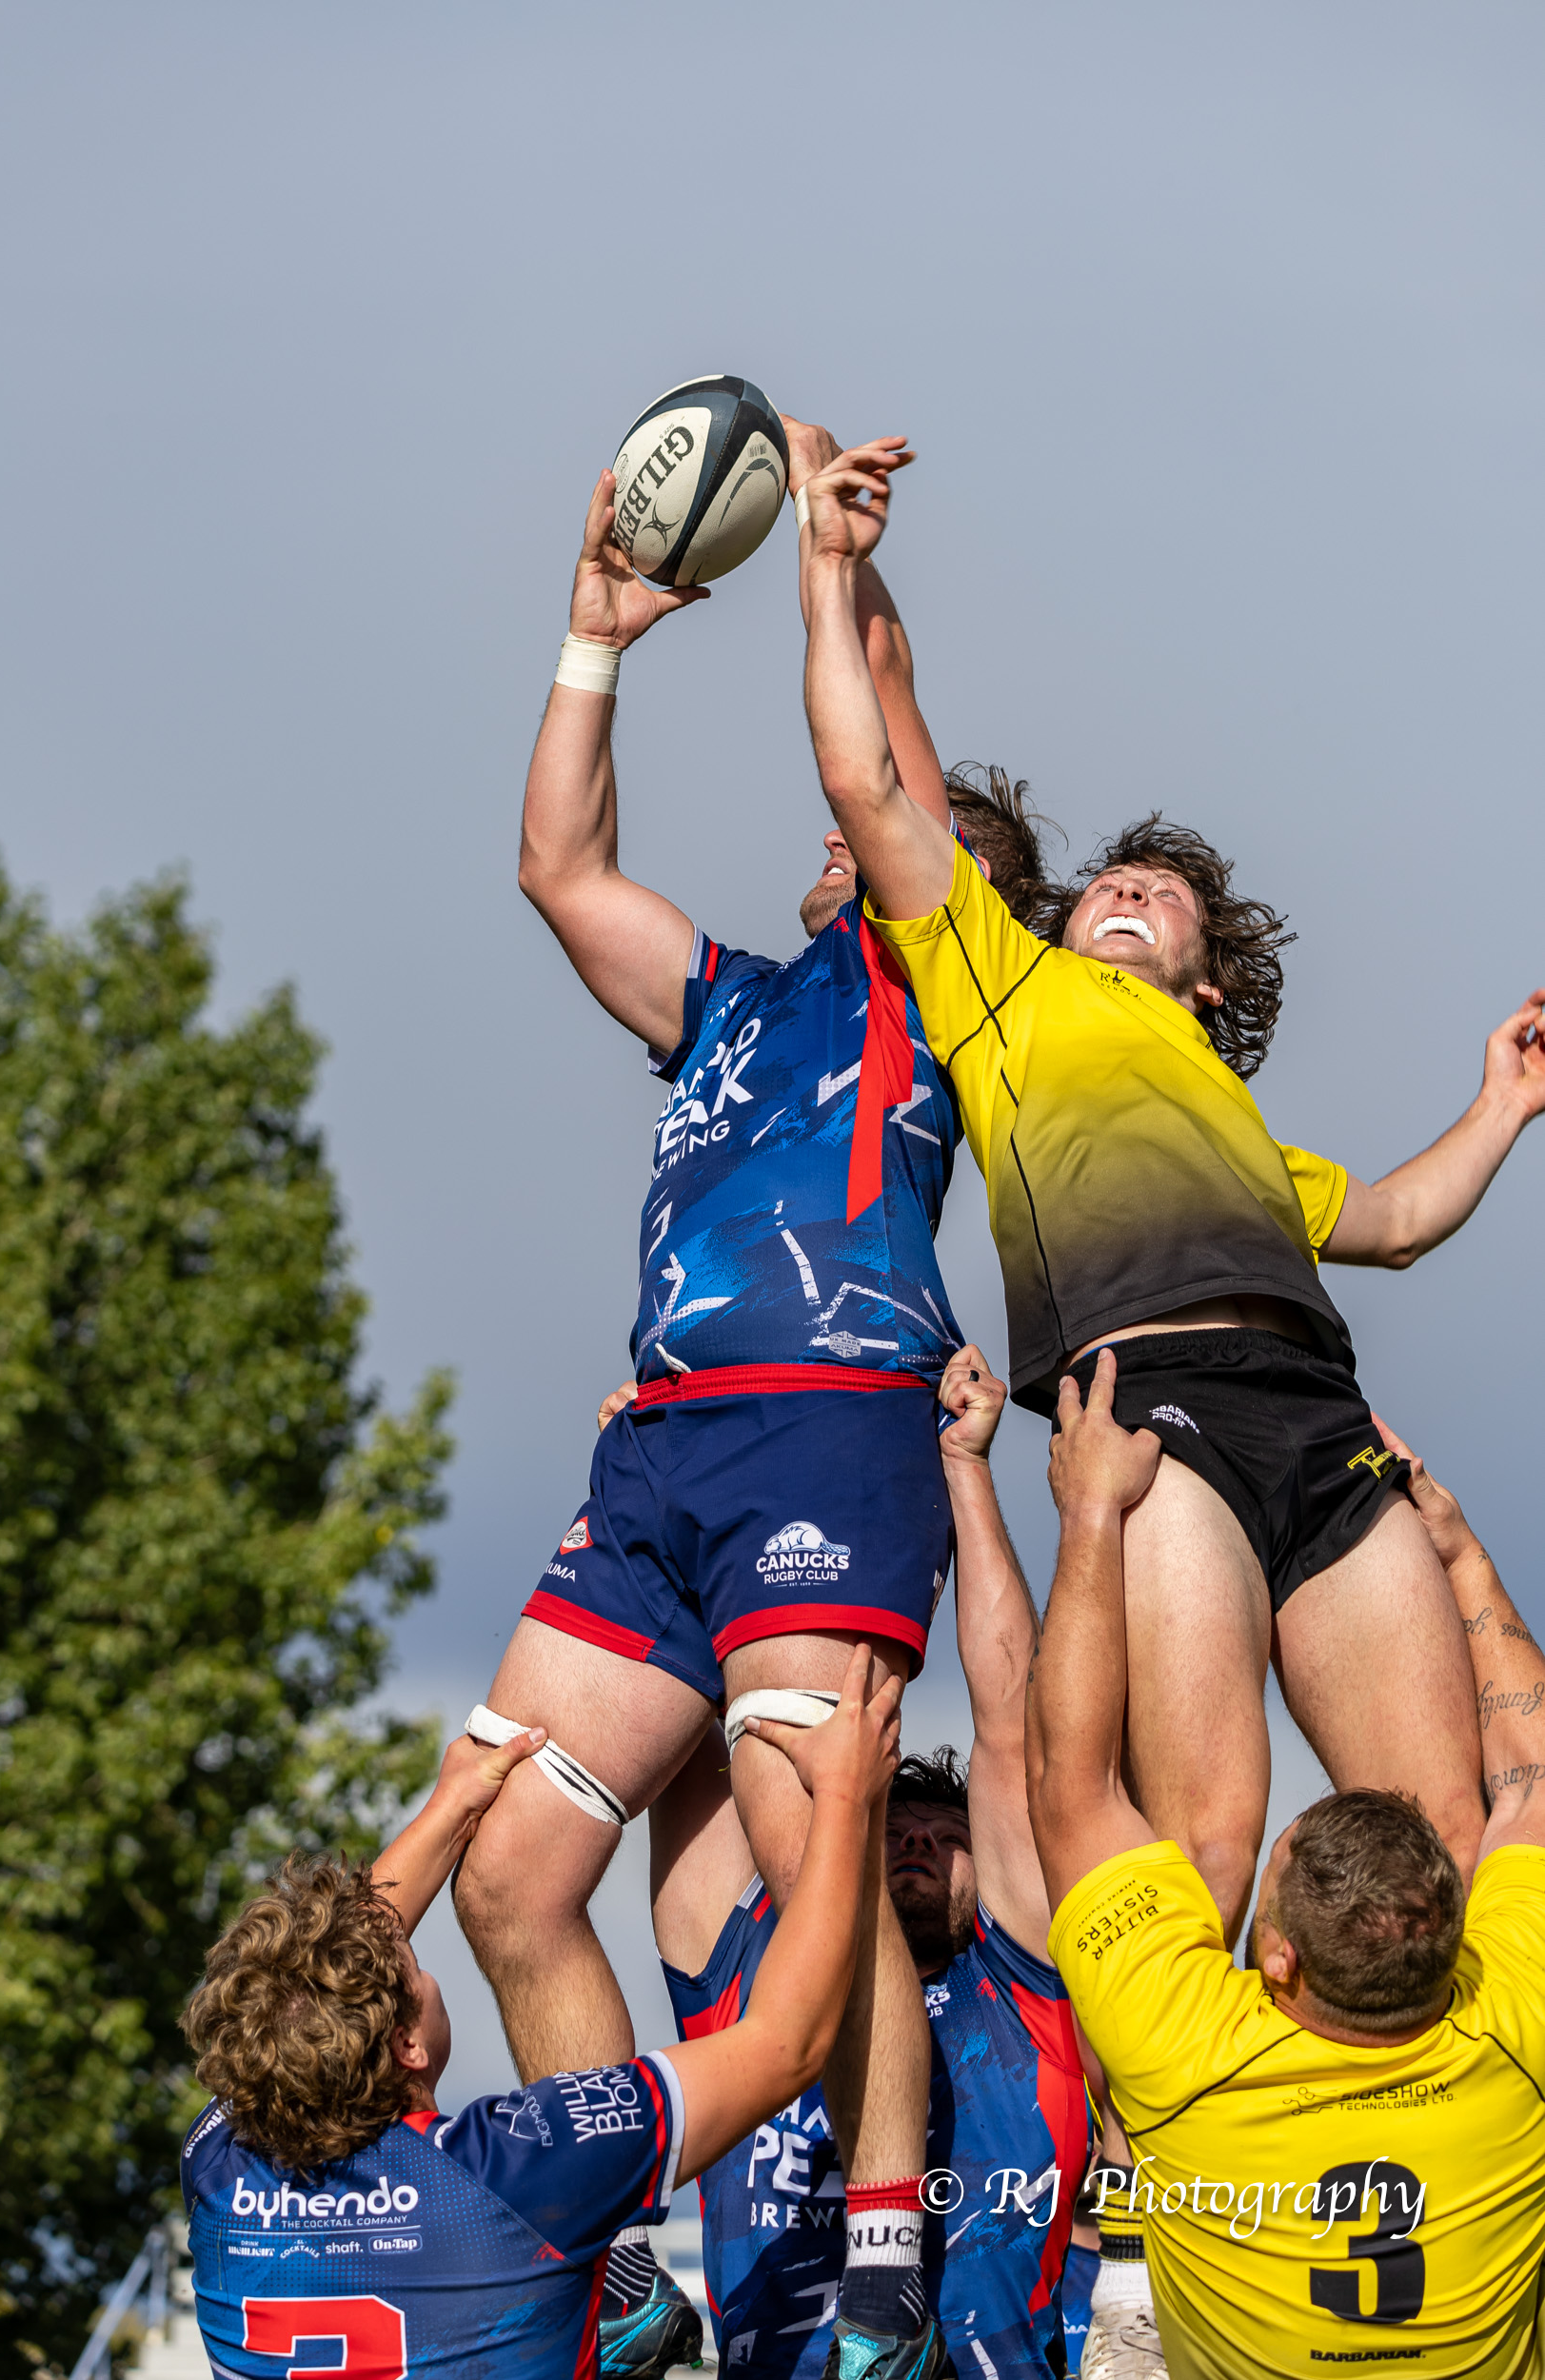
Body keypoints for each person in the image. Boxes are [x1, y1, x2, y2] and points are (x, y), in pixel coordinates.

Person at [797, 432, 1545, 1949]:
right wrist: (834, 568)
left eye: (1164, 893)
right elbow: (873, 760)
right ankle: (1149, 2182)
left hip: (1314, 1408)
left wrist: (1502, 1102)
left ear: (1209, 983)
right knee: (1199, 1840)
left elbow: (1393, 1223)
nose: (1126, 891)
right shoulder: (997, 993)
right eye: (1107, 886)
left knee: (1440, 1836)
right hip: (1143, 1401)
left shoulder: (1233, 1122)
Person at [454, 421, 1029, 2372]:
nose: (825, 846)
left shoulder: (944, 976)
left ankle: (877, 2269)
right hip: (657, 1449)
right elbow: (555, 863)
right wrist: (591, 634)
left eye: (859, 837)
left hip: (822, 1418)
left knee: (811, 1850)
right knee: (511, 1869)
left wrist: (831, 573)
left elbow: (868, 758)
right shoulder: (729, 998)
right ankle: (619, 2282)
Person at [1024, 1350, 1545, 2380]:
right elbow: (1523, 1775)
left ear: (1275, 1961)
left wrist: (1091, 1514)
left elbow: (1065, 1775)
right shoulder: (1512, 2036)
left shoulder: (1181, 2057)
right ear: (1449, 1935)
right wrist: (1462, 1560)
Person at [179, 1650, 901, 2380]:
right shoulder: (520, 2169)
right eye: (415, 1971)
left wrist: (450, 1806)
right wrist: (844, 1797)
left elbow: (298, 2005)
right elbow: (786, 2043)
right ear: (407, 2048)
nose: (414, 1956)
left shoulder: (222, 2163)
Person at [644, 1344, 1091, 2379]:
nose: (920, 1848)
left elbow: (1013, 1721)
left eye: (946, 1838)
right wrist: (668, 1477)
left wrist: (966, 1470)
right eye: (893, 1829)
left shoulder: (1024, 1986)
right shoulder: (746, 1969)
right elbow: (681, 1753)